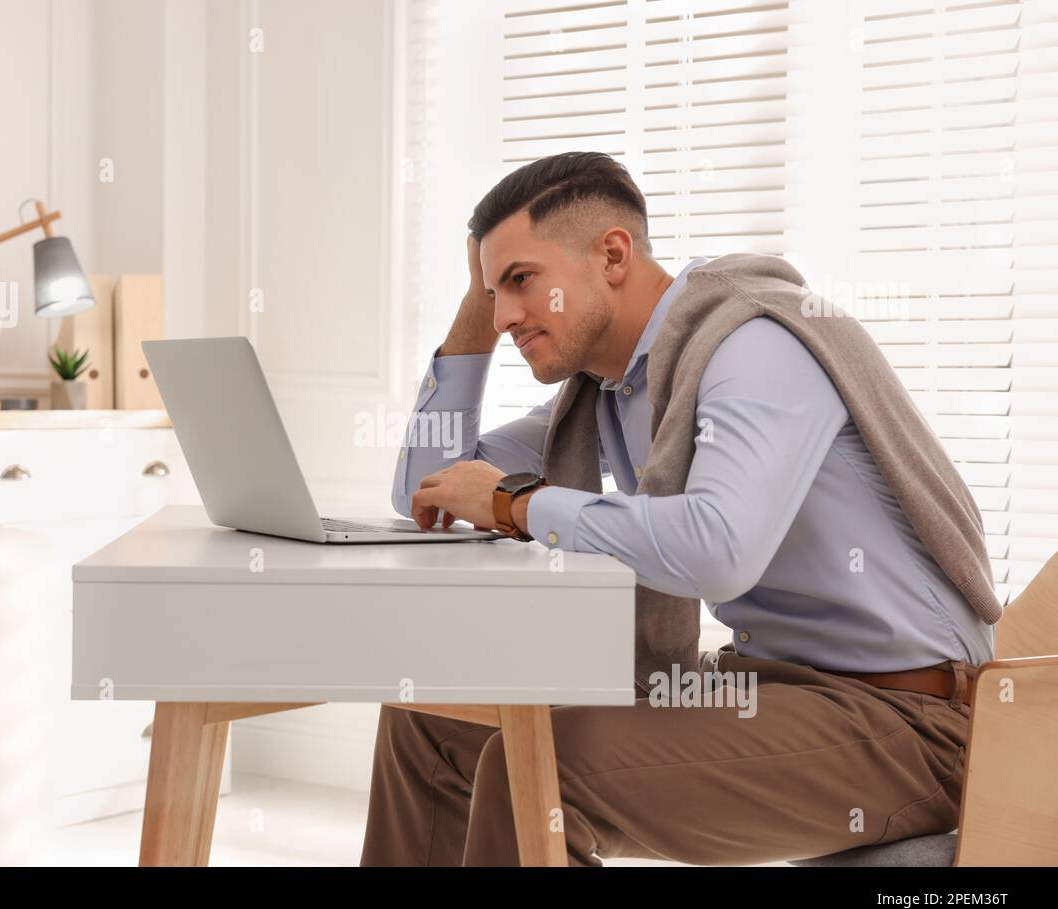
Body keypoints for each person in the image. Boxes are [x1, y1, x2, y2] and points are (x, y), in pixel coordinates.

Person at [359, 151, 995, 867]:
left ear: (612, 254)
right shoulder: (610, 394)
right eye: (492, 291)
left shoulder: (753, 345)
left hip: (910, 721)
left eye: (522, 281)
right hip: (763, 685)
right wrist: (478, 296)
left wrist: (516, 504)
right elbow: (430, 486)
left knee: (539, 765)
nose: (506, 316)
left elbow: (719, 549)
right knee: (429, 717)